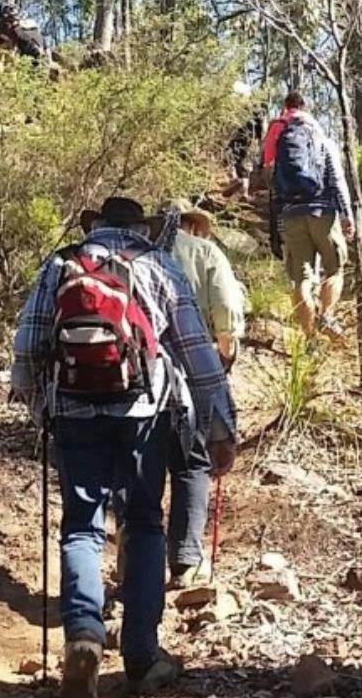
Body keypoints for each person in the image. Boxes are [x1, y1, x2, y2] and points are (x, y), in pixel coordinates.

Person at [13, 195, 237, 698]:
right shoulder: (157, 266)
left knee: (80, 528)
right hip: (142, 416)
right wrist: (220, 427)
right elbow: (197, 354)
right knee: (142, 524)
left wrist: (40, 407)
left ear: (95, 227)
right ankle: (141, 658)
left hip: (72, 411)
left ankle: (84, 637)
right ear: (141, 229)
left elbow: (27, 347)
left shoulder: (60, 265)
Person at [155, 198, 245, 588]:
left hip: (142, 372)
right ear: (193, 224)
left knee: (143, 460)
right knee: (192, 462)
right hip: (194, 363)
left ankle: (132, 549)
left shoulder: (141, 253)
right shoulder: (207, 252)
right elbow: (226, 310)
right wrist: (225, 355)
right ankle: (185, 560)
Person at [267, 92, 354, 342]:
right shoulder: (322, 140)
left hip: (292, 214)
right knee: (335, 269)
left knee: (302, 279)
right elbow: (336, 180)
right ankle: (326, 316)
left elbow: (273, 182)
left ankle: (309, 338)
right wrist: (347, 215)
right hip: (323, 212)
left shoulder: (283, 141)